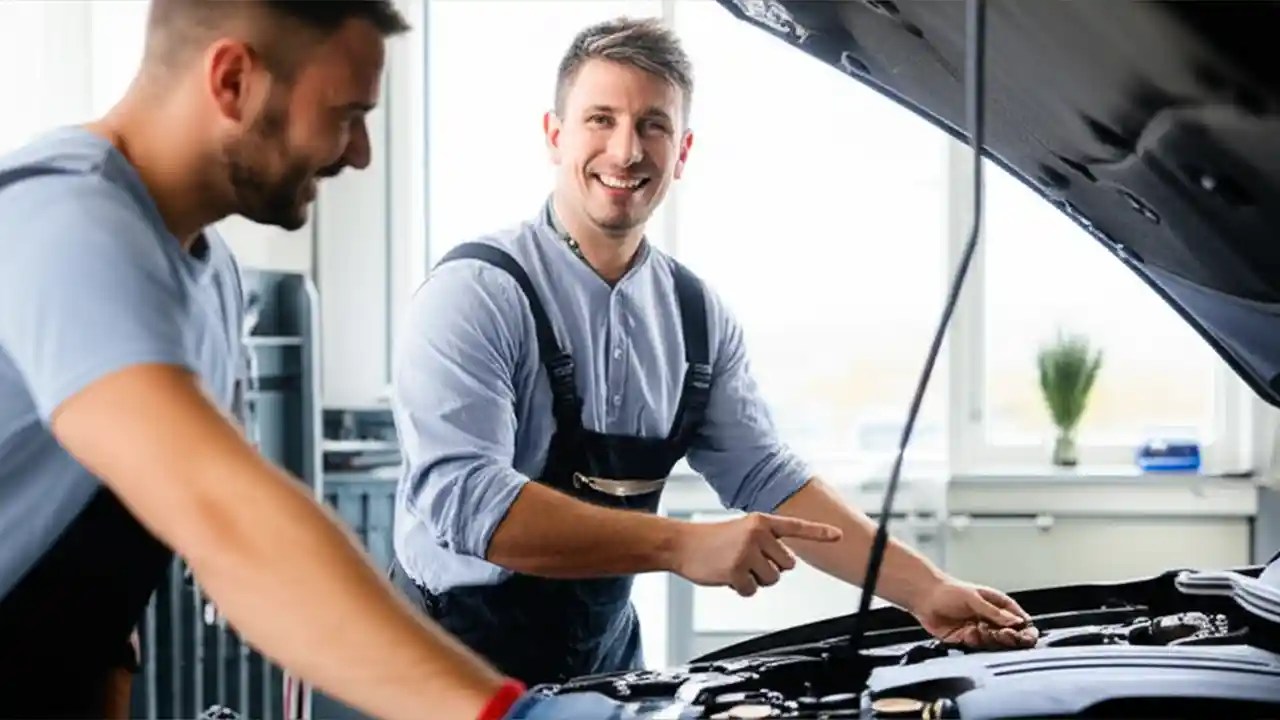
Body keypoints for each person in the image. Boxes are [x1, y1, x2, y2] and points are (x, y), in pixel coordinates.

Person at [0, 1, 629, 718]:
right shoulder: (67, 224)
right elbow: (226, 519)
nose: (359, 152)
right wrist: (499, 713)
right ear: (233, 80)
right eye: (345, 113)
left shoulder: (212, 278)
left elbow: (107, 585)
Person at [388, 16, 1040, 689]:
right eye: (600, 120)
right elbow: (470, 503)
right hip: (448, 661)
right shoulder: (474, 294)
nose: (626, 150)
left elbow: (765, 474)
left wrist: (924, 590)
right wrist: (682, 545)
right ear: (555, 137)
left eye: (653, 126)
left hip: (602, 664)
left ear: (683, 150)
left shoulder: (696, 317)